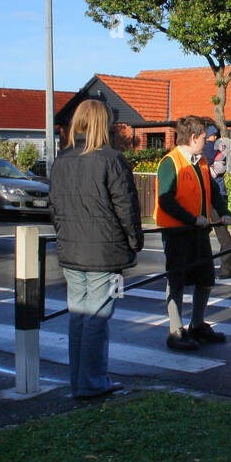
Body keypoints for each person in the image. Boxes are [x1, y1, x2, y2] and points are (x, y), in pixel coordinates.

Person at [46, 100, 143, 398]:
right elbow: (126, 206)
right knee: (98, 318)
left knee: (79, 316)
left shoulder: (61, 160)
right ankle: (93, 381)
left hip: (72, 252)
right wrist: (134, 241)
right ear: (104, 125)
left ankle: (80, 380)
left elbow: (54, 207)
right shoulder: (111, 159)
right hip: (105, 253)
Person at [155, 115, 231, 350]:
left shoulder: (200, 162)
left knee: (205, 278)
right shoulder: (171, 162)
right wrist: (191, 219)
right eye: (204, 138)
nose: (208, 143)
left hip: (199, 230)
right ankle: (175, 330)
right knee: (177, 280)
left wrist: (222, 211)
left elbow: (213, 193)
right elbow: (166, 200)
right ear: (193, 137)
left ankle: (197, 324)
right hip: (177, 232)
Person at [200, 119, 231, 279]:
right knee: (222, 232)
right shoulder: (223, 148)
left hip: (208, 194)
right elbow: (219, 169)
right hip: (220, 193)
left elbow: (209, 171)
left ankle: (201, 267)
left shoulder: (206, 148)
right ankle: (228, 268)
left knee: (201, 232)